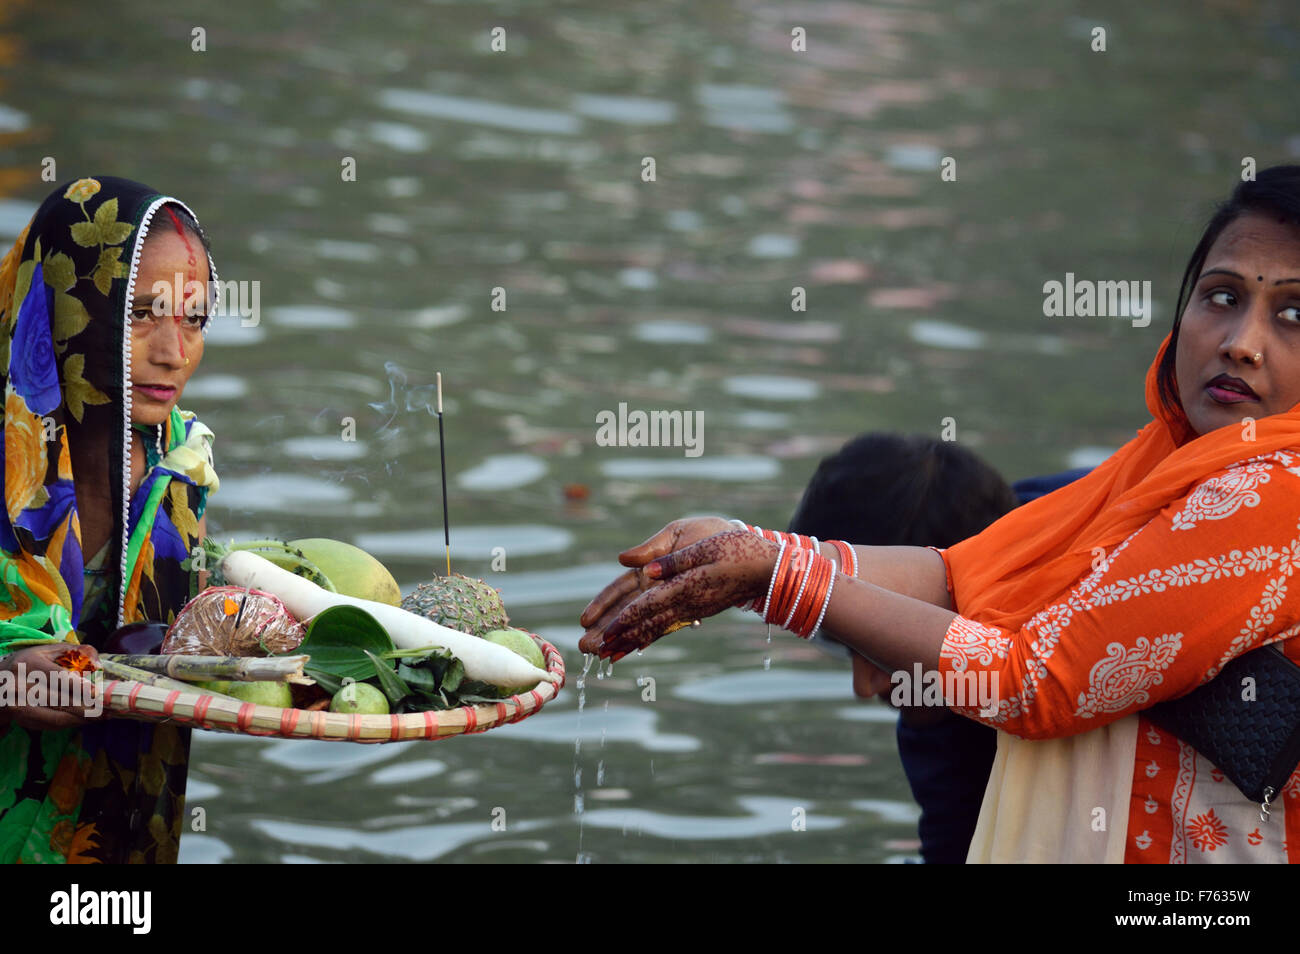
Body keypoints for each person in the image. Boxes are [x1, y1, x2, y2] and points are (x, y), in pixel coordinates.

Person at [580, 164, 1300, 863]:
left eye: (1292, 313)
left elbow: (1034, 683)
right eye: (1221, 296)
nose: (1240, 341)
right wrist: (747, 549)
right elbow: (965, 573)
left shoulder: (1277, 492)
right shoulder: (1161, 462)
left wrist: (776, 577)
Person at [0, 176, 219, 863]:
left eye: (194, 318)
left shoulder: (178, 463)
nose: (173, 352)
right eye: (142, 313)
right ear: (64, 308)